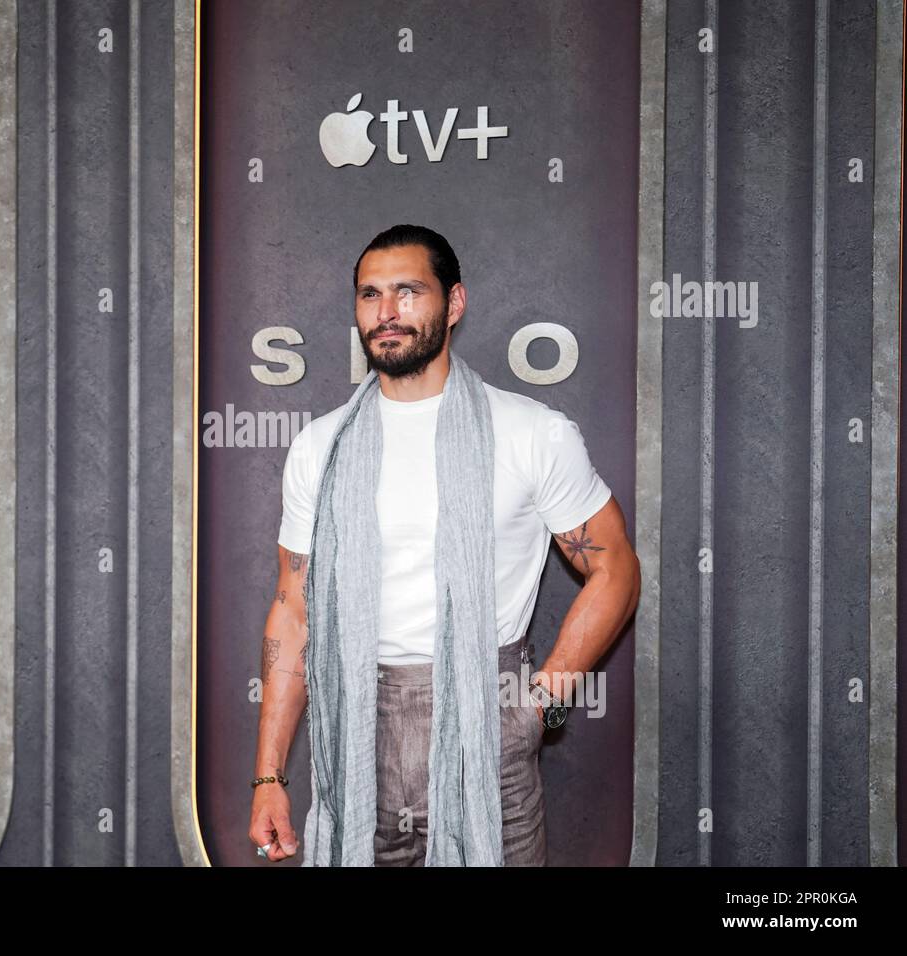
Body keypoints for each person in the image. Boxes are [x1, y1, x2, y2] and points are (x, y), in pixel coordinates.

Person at [248, 224, 640, 866]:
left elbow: (615, 568)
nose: (388, 312)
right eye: (371, 295)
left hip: (488, 736)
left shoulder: (531, 433)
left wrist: (534, 709)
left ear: (453, 304)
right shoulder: (319, 448)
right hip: (355, 738)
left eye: (409, 292)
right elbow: (294, 608)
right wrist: (268, 776)